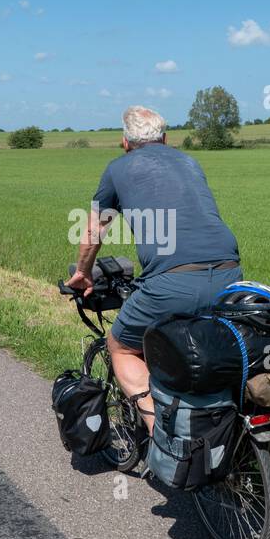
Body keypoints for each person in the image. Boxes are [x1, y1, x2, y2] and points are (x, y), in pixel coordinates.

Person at [65, 106, 242, 432]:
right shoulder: (190, 162)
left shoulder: (118, 169)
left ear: (125, 143)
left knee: (121, 346)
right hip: (231, 274)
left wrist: (83, 272)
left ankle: (164, 434)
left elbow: (93, 233)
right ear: (165, 139)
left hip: (173, 281)